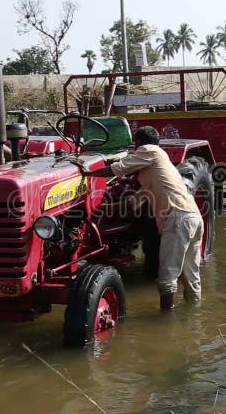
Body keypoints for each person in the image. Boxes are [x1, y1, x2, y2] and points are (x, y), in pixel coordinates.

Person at [82, 126, 204, 310]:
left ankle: (166, 323)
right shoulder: (158, 172)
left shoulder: (150, 151)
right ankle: (194, 316)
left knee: (166, 278)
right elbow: (133, 203)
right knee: (191, 276)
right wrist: (103, 208)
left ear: (139, 143)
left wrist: (86, 172)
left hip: (178, 220)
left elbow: (117, 169)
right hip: (193, 218)